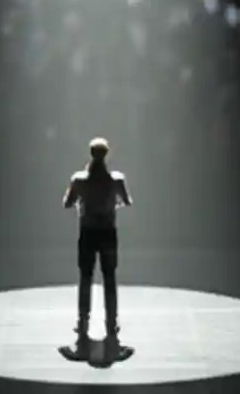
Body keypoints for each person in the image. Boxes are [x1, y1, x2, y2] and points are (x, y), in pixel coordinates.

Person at [60, 137, 133, 362]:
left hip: (88, 232)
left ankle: (83, 322)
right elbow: (127, 201)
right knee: (109, 277)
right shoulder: (116, 179)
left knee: (85, 277)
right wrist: (113, 203)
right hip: (108, 232)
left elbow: (67, 203)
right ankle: (111, 324)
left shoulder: (80, 179)